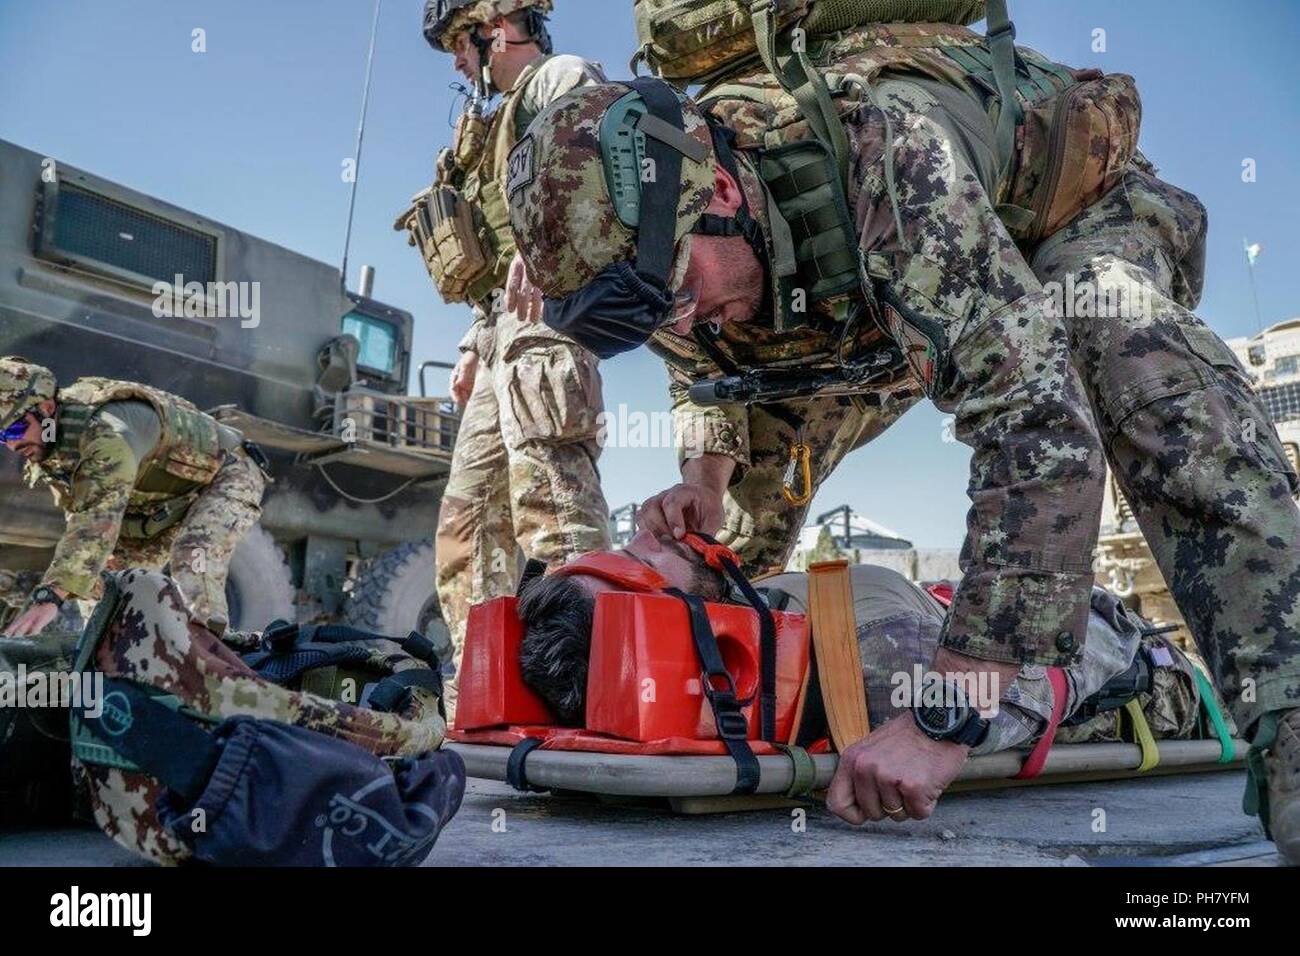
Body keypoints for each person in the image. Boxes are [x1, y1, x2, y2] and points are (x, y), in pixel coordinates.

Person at [502, 16, 1300, 860]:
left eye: (678, 292)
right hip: (864, 315)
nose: (682, 319)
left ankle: (1289, 719)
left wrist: (944, 718)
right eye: (656, 314)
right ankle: (754, 688)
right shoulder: (657, 260)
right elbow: (696, 363)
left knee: (1133, 360)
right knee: (720, 544)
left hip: (1062, 220)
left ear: (724, 195)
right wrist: (707, 473)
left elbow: (1037, 427)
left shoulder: (889, 156)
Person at [516, 531, 1219, 780]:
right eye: (639, 558)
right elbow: (1078, 661)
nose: (652, 535)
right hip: (1148, 678)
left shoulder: (748, 626)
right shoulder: (880, 662)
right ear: (672, 625)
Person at [402, 0, 611, 716]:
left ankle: (593, 691)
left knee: (554, 506)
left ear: (492, 31)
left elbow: (592, 168)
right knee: (467, 522)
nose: (458, 66)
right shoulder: (493, 123)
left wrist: (542, 246)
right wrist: (470, 344)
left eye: (459, 48)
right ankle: (484, 693)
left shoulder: (560, 78)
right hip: (498, 333)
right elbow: (491, 260)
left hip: (548, 321)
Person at [0, 357, 265, 637]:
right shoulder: (50, 443)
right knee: (105, 590)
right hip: (157, 505)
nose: (13, 445)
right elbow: (82, 518)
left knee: (194, 559)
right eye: (2, 437)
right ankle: (118, 668)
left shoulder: (105, 433)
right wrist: (81, 575)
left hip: (225, 474)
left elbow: (97, 518)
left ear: (47, 407)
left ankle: (211, 653)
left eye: (15, 429)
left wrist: (51, 596)